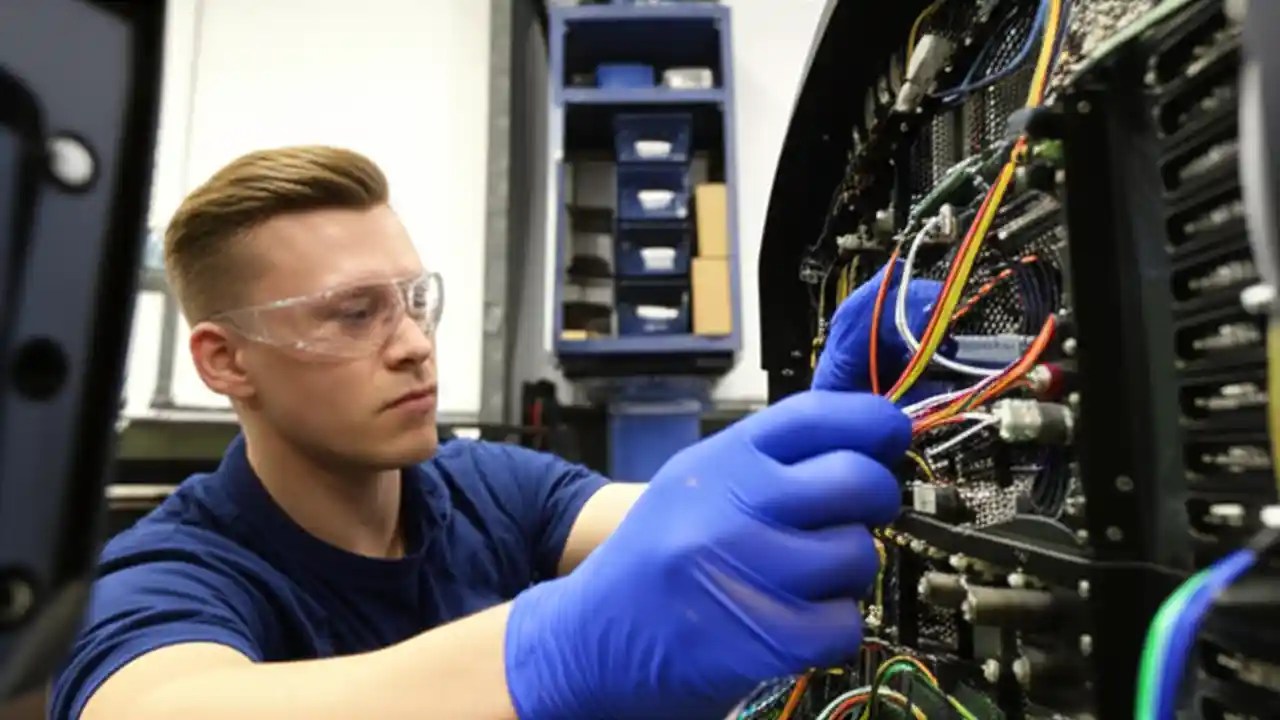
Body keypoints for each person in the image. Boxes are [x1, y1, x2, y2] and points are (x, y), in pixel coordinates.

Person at [50, 146, 943, 719]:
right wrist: (544, 651)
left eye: (414, 301)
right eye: (353, 314)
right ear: (224, 362)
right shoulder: (175, 569)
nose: (411, 346)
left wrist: (815, 448)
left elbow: (674, 528)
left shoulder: (481, 486)